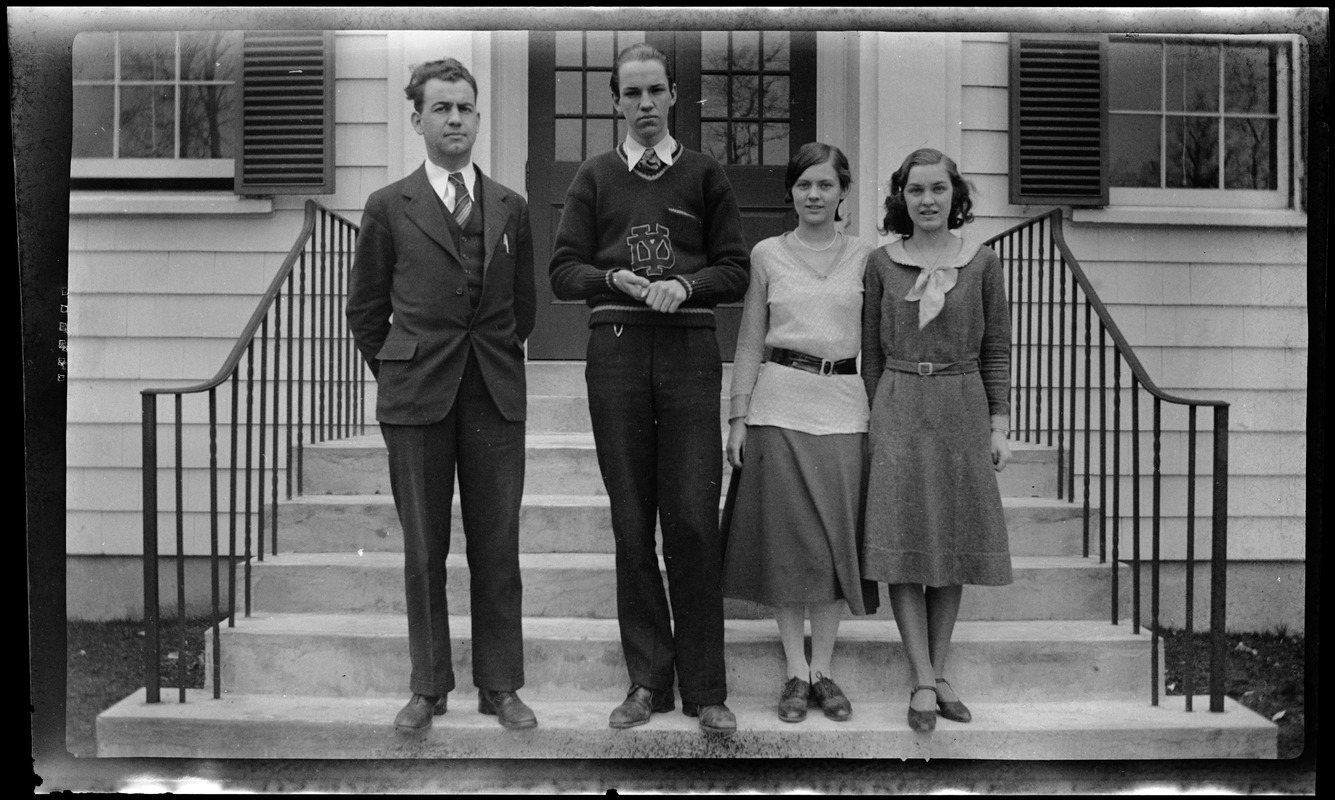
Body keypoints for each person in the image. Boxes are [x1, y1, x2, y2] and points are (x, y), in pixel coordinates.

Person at [549, 42, 750, 735]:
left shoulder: (702, 173)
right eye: (630, 93)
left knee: (692, 521)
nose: (642, 105)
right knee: (632, 522)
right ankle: (646, 682)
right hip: (617, 355)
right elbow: (562, 271)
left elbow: (734, 269)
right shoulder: (596, 177)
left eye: (654, 92)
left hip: (690, 355)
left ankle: (704, 689)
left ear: (672, 97)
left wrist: (683, 284)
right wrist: (615, 280)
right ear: (615, 101)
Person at [346, 58, 537, 733]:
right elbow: (366, 310)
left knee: (497, 545)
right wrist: (400, 368)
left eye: (465, 108)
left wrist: (490, 360)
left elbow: (523, 309)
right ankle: (428, 687)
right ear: (417, 119)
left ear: (477, 116)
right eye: (441, 108)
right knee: (424, 550)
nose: (454, 119)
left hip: (493, 395)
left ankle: (501, 685)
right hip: (416, 398)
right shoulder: (387, 206)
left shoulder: (510, 205)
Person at [722, 142, 880, 724]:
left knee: (833, 544)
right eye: (803, 185)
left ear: (843, 193)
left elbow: (880, 345)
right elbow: (747, 341)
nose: (814, 195)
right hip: (778, 407)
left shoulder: (867, 258)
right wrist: (737, 416)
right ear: (790, 192)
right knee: (789, 548)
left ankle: (825, 670)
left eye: (825, 185)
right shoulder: (767, 254)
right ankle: (794, 670)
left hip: (843, 409)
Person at [860, 147, 1013, 733]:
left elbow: (996, 348)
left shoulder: (982, 263)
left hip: (961, 405)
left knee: (950, 539)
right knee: (903, 539)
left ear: (956, 196)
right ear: (902, 197)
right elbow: (870, 353)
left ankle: (939, 669)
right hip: (899, 403)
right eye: (916, 190)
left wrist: (998, 424)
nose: (927, 201)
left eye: (938, 190)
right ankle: (923, 677)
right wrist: (878, 416)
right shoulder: (881, 263)